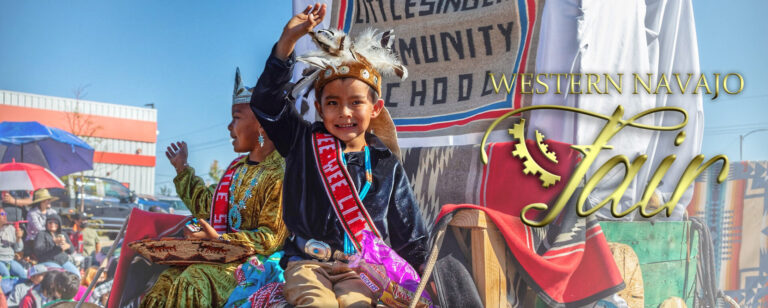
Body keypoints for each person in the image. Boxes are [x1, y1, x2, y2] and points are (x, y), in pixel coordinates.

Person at [250, 4, 428, 307]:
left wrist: (425, 276)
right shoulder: (301, 140)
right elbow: (266, 103)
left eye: (355, 102)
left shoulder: (385, 163)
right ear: (319, 108)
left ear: (375, 108)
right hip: (307, 264)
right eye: (332, 103)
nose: (344, 112)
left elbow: (410, 234)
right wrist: (286, 43)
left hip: (363, 272)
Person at [139, 68, 289, 308]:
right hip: (220, 256)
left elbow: (271, 238)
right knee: (166, 280)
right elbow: (207, 206)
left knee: (193, 280)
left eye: (237, 118)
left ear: (261, 124)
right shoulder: (235, 169)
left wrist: (220, 239)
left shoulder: (278, 172)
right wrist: (182, 170)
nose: (229, 127)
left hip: (255, 265)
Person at [0, 207, 27, 278]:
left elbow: (18, 249)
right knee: (6, 275)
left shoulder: (11, 229)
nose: (5, 216)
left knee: (23, 275)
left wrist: (18, 238)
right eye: (2, 214)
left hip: (10, 260)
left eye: (5, 213)